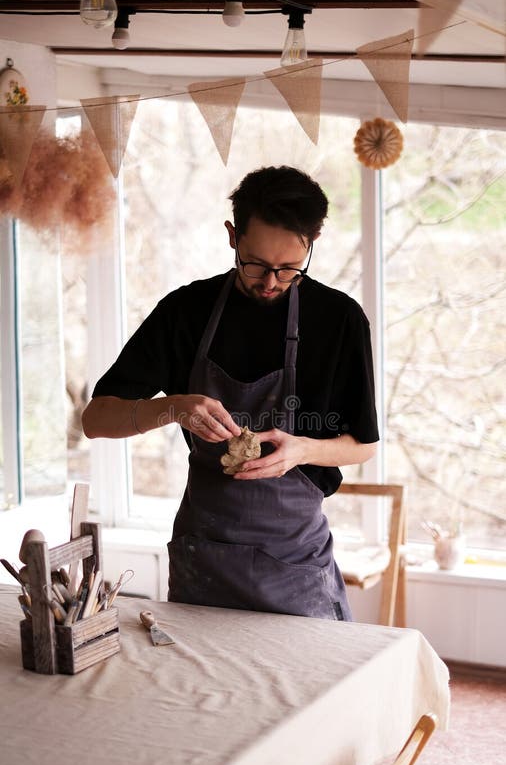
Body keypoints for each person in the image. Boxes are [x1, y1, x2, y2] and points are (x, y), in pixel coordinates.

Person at [82, 165, 379, 622]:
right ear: (232, 236)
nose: (270, 282)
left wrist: (301, 449)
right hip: (204, 558)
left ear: (310, 247)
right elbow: (96, 420)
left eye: (289, 269)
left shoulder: (339, 320)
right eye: (256, 264)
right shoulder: (184, 311)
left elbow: (363, 447)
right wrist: (172, 408)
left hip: (293, 565)